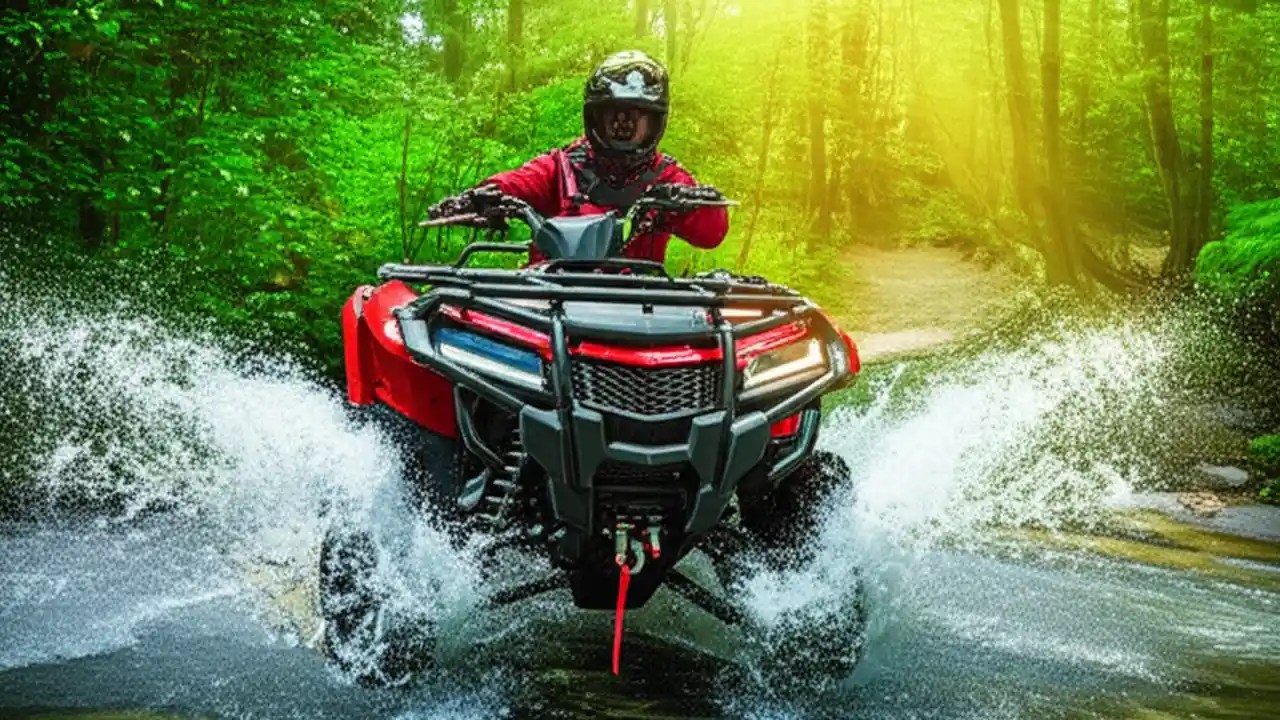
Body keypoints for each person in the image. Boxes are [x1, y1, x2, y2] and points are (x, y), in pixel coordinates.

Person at [428, 50, 729, 262]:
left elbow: (712, 232)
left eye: (635, 115)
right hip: (551, 299)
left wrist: (690, 204)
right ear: (595, 117)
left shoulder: (667, 177)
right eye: (613, 114)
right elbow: (517, 183)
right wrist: (481, 198)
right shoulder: (563, 166)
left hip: (637, 307)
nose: (623, 125)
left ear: (655, 122)